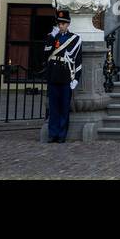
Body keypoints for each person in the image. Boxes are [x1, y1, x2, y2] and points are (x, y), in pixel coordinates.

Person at [44, 10, 82, 143]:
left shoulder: (75, 39)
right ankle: (52, 133)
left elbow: (78, 60)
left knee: (64, 107)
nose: (61, 26)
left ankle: (61, 134)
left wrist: (76, 78)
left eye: (64, 24)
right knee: (53, 107)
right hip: (53, 76)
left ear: (68, 24)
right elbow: (46, 54)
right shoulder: (52, 37)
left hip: (66, 76)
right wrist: (51, 38)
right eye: (59, 24)